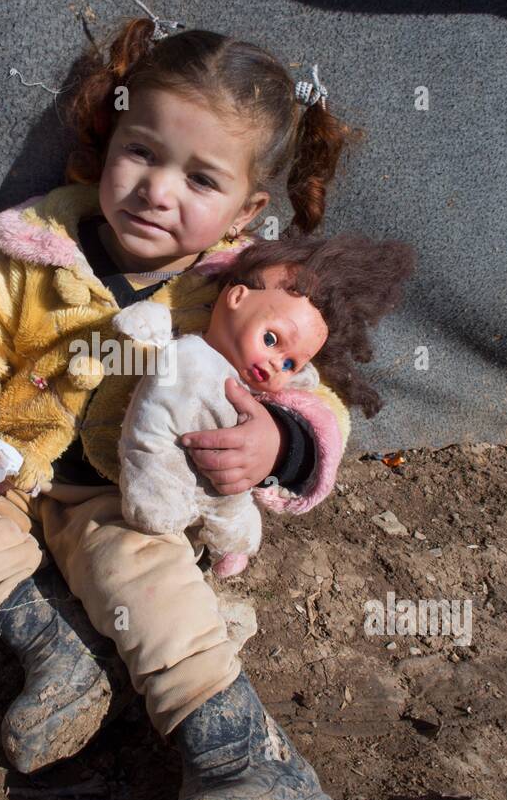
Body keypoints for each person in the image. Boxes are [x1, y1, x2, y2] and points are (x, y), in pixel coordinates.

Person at [0, 0, 368, 800]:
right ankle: (58, 648)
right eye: (143, 153)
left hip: (136, 497)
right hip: (19, 468)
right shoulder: (31, 252)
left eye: (201, 180)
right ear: (112, 139)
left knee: (150, 588)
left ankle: (247, 763)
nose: (158, 190)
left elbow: (307, 388)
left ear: (247, 208)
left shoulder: (237, 293)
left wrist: (278, 442)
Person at [113, 233, 416, 578]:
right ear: (237, 296)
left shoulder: (269, 385)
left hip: (215, 491)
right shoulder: (189, 309)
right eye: (271, 340)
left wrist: (280, 445)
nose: (275, 364)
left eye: (289, 365)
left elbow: (326, 415)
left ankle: (226, 549)